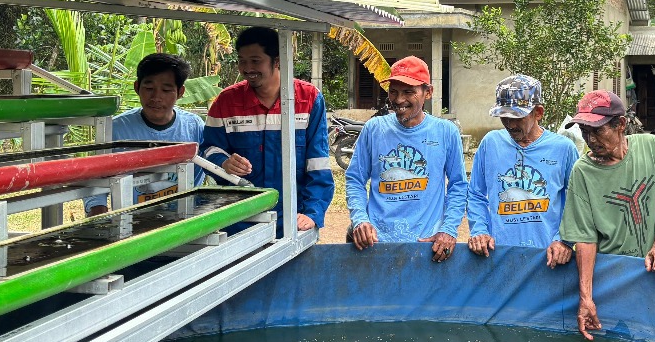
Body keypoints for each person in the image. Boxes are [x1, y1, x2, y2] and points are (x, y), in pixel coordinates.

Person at [556, 89, 655, 340]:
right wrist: (586, 298)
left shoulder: (651, 147)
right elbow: (585, 238)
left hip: (648, 272)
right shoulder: (582, 171)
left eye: (597, 130)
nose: (590, 139)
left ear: (621, 124)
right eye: (584, 131)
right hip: (608, 275)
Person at [200, 26, 334, 234]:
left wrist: (312, 212)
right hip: (238, 220)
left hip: (293, 219)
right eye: (242, 61)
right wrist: (224, 162)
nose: (247, 68)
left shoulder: (309, 99)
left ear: (277, 60)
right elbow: (208, 150)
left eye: (255, 61)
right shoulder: (226, 101)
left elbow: (318, 163)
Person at [345, 55, 467, 261]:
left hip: (427, 246)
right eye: (394, 91)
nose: (399, 100)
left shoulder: (446, 132)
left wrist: (448, 229)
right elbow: (355, 179)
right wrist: (360, 220)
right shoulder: (374, 129)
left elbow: (458, 185)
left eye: (408, 92)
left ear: (428, 92)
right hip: (376, 245)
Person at [466, 74, 579, 263]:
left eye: (517, 117)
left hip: (548, 258)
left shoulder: (563, 149)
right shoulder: (491, 144)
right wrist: (479, 230)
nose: (510, 124)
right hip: (498, 256)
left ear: (538, 112)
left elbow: (577, 201)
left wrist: (564, 241)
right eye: (504, 116)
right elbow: (476, 194)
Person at [84, 53, 203, 216]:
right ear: (137, 87)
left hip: (185, 221)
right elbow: (95, 182)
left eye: (166, 90)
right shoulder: (115, 129)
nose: (156, 97)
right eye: (149, 88)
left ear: (180, 92)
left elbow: (215, 165)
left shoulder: (195, 127)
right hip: (132, 223)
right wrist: (99, 218)